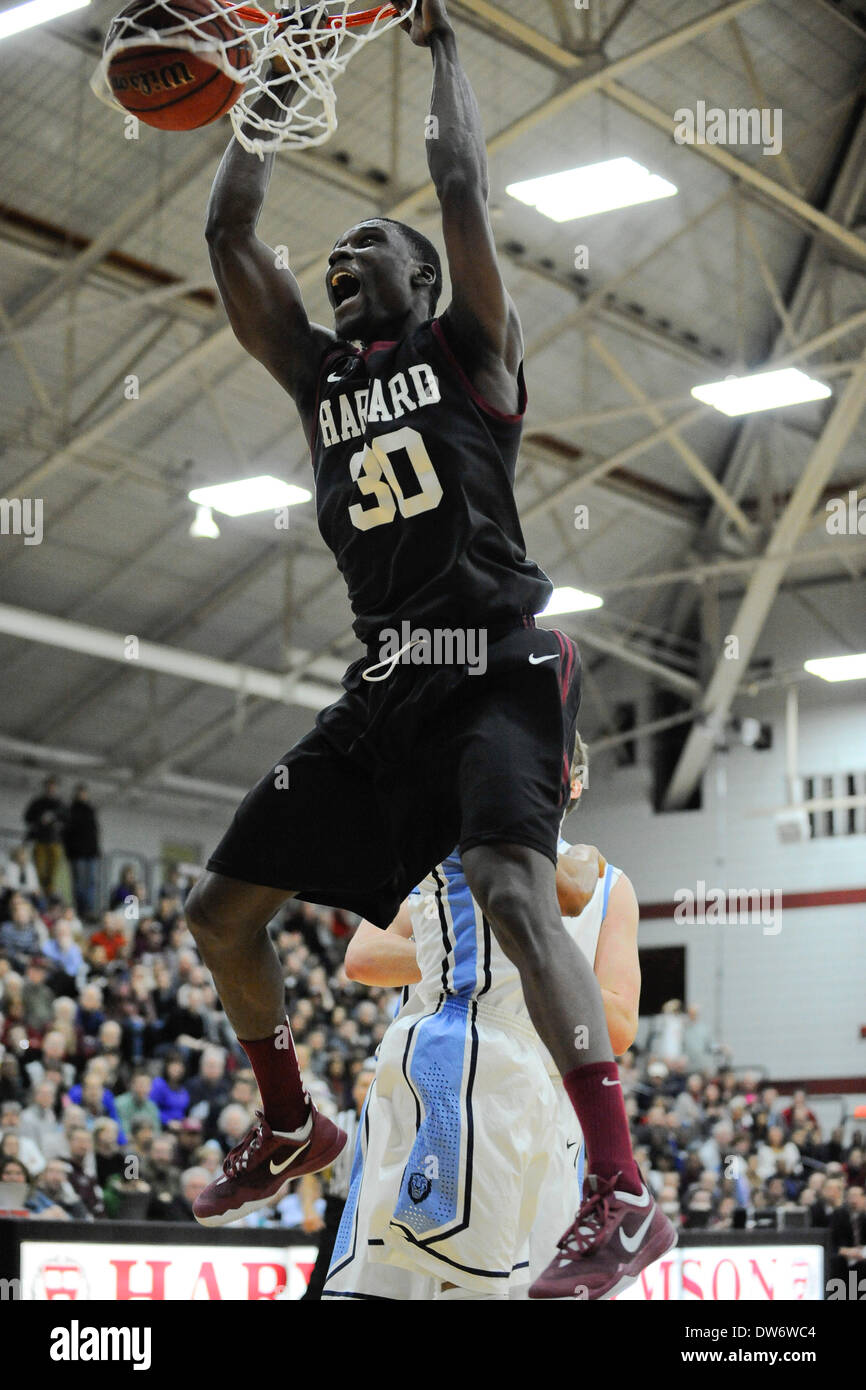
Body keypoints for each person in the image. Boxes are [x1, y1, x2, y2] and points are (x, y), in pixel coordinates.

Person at [187, 0, 666, 1292]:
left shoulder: (470, 352)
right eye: (334, 259)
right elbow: (229, 235)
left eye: (368, 252)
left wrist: (440, 45)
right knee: (217, 914)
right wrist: (267, 96)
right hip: (387, 681)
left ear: (425, 281)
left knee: (510, 885)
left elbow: (458, 180)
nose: (342, 265)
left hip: (496, 662)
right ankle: (290, 1123)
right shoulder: (316, 379)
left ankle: (622, 1189)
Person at [324, 738, 667, 1299]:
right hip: (438, 1064)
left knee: (505, 1281)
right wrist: (473, 956)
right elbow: (363, 956)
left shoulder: (609, 884)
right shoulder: (452, 845)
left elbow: (621, 1025)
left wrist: (536, 972)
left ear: (573, 783)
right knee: (395, 1279)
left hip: (543, 1094)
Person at [299, 1063, 376, 1301]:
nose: (368, 1089)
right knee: (321, 1278)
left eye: (373, 1084)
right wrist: (309, 1209)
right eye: (363, 1084)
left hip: (375, 1211)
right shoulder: (336, 1124)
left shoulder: (393, 1126)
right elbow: (312, 1173)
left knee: (372, 1283)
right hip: (339, 1210)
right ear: (354, 1090)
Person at [63, 785, 101, 920]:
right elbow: (66, 833)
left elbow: (95, 832)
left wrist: (96, 850)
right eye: (80, 793)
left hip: (90, 852)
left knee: (91, 882)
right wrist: (69, 851)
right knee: (79, 882)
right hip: (77, 852)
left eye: (84, 793)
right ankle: (80, 909)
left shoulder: (90, 810)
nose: (82, 795)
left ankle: (89, 909)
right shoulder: (71, 810)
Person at [23, 777, 66, 897]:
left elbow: (68, 820)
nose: (51, 789)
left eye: (53, 787)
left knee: (53, 870)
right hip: (40, 840)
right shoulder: (38, 803)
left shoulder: (61, 804)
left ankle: (50, 893)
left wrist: (57, 822)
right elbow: (28, 817)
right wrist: (40, 820)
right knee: (40, 869)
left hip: (55, 841)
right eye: (49, 786)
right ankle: (40, 891)